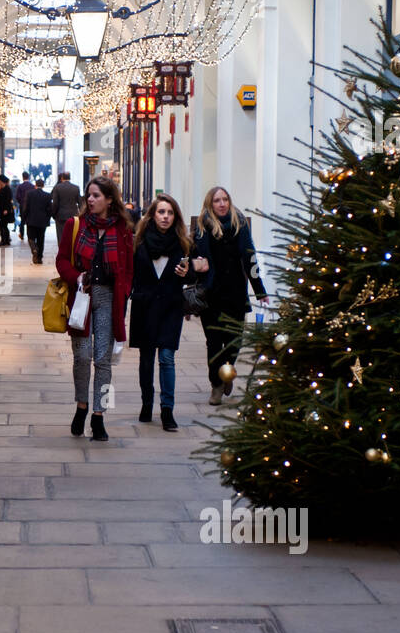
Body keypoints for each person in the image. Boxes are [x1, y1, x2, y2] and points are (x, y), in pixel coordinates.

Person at [56, 175, 134, 443]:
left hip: (110, 299)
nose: (90, 199)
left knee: (103, 359)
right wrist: (76, 277)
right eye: (89, 195)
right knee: (81, 356)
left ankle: (99, 415)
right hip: (82, 298)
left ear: (109, 200)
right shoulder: (75, 225)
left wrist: (125, 292)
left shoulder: (122, 228)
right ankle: (81, 406)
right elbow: (62, 259)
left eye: (96, 195)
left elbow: (129, 265)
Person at [129, 195, 208, 431]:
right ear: (153, 215)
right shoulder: (139, 243)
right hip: (144, 307)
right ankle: (146, 403)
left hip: (170, 307)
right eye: (161, 212)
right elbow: (131, 275)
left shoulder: (183, 244)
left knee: (166, 358)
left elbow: (197, 274)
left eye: (170, 213)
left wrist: (188, 274)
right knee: (146, 360)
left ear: (176, 217)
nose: (165, 217)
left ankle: (167, 410)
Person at [191, 186, 269, 406]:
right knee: (214, 344)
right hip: (211, 295)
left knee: (234, 342)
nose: (222, 204)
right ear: (210, 204)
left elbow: (250, 258)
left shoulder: (239, 225)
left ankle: (226, 372)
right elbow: (194, 260)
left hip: (235, 294)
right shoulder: (202, 228)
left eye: (225, 199)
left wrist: (259, 289)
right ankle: (216, 385)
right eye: (217, 200)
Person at [22, 177, 53, 264]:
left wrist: (24, 219)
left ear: (35, 185)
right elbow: (50, 209)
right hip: (42, 222)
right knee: (41, 239)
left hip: (31, 220)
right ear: (43, 186)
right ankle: (39, 258)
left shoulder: (29, 194)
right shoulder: (47, 195)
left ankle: (34, 249)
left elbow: (26, 207)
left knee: (30, 237)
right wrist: (47, 218)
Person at [50, 172, 81, 246]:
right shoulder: (76, 188)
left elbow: (55, 203)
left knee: (61, 236)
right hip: (73, 215)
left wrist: (53, 214)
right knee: (72, 235)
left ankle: (62, 253)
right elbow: (80, 202)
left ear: (62, 178)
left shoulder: (57, 187)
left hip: (60, 215)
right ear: (69, 178)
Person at [0, 174, 15, 246]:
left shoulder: (7, 189)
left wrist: (6, 209)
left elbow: (8, 200)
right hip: (0, 209)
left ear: (1, 181)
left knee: (4, 225)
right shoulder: (1, 188)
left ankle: (5, 240)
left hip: (5, 210)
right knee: (2, 225)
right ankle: (5, 240)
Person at [15, 171, 34, 240]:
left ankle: (22, 234)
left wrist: (21, 202)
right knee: (30, 221)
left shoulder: (20, 186)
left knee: (22, 221)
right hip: (31, 207)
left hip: (22, 206)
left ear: (22, 177)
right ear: (28, 177)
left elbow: (17, 196)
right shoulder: (32, 186)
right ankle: (30, 235)